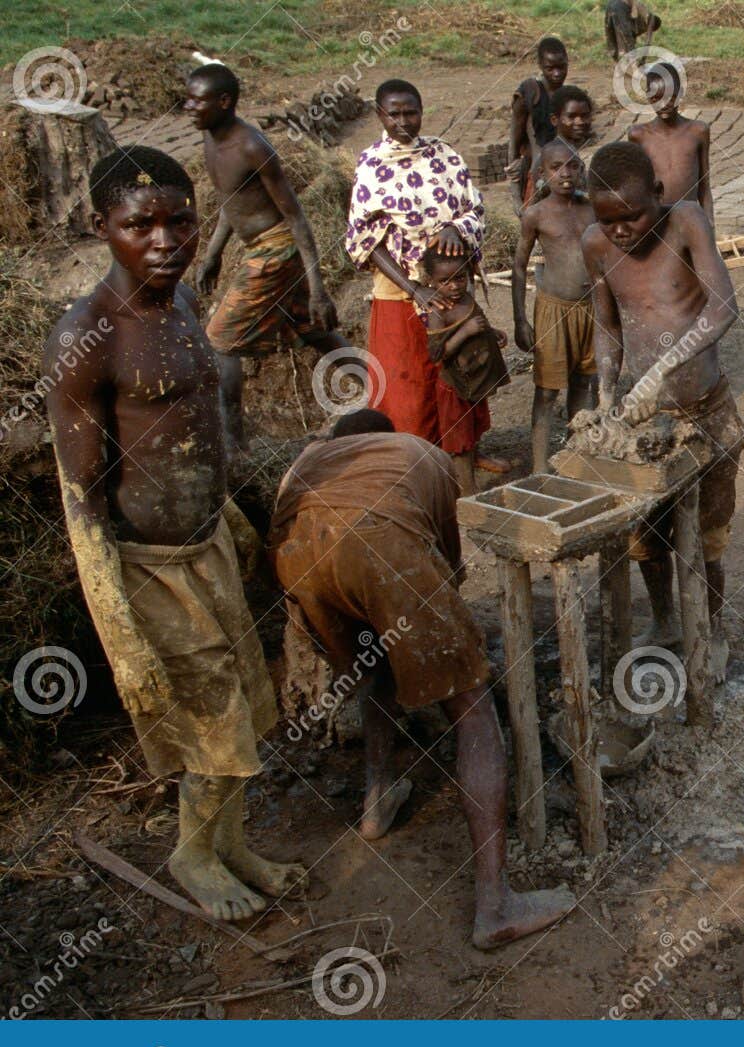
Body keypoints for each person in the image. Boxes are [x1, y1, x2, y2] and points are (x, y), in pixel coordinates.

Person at [46, 147, 301, 922]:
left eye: (180, 221)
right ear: (101, 227)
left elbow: (196, 429)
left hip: (207, 546)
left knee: (250, 700)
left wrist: (230, 519)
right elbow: (81, 494)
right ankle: (192, 855)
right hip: (147, 565)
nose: (164, 240)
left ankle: (230, 844)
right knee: (210, 713)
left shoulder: (185, 303)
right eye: (140, 225)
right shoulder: (85, 338)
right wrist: (118, 631)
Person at [269, 408, 575, 949]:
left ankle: (377, 799)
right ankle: (495, 906)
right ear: (384, 437)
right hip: (380, 541)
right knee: (471, 706)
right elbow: (448, 572)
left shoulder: (305, 461)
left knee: (371, 669)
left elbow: (272, 547)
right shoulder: (420, 453)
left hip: (300, 557)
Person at [577, 142, 744, 676]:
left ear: (657, 194)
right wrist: (607, 390)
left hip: (703, 408)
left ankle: (711, 631)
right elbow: (607, 325)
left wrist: (661, 370)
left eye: (633, 216)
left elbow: (723, 307)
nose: (623, 231)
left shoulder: (686, 222)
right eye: (610, 222)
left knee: (705, 535)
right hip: (644, 423)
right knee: (645, 535)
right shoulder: (596, 246)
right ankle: (666, 619)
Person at [185, 63, 349, 455]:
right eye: (188, 98)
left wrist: (318, 289)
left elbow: (295, 217)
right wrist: (213, 253)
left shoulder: (252, 147)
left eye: (198, 100)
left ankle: (233, 445)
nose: (190, 107)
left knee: (220, 343)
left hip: (276, 248)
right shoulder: (210, 137)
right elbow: (232, 201)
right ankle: (375, 384)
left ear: (224, 102)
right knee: (310, 328)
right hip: (256, 247)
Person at [344, 78, 491, 494]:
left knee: (457, 374)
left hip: (451, 288)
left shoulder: (444, 155)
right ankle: (416, 471)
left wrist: (453, 226)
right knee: (407, 384)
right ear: (380, 115)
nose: (404, 121)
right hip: (400, 292)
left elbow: (474, 208)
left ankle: (463, 456)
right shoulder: (371, 164)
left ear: (422, 111)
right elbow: (365, 241)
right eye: (395, 113)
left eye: (411, 112)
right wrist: (414, 289)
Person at [512, 141, 598, 473]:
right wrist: (520, 319)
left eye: (573, 167)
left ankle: (579, 457)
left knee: (582, 384)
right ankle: (539, 467)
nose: (565, 174)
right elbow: (519, 265)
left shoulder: (591, 210)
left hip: (589, 309)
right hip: (553, 311)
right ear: (542, 174)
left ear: (581, 171)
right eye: (556, 167)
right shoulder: (536, 214)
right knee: (547, 391)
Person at [420, 247, 510, 416]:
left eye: (460, 278)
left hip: (475, 377)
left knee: (475, 424)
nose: (454, 286)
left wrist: (491, 331)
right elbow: (438, 354)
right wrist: (465, 332)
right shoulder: (438, 312)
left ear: (468, 275)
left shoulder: (466, 297)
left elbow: (475, 322)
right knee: (459, 429)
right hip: (457, 385)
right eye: (445, 281)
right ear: (431, 281)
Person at [626, 63, 713, 229]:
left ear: (679, 94)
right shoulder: (638, 135)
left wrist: (709, 224)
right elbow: (637, 185)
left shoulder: (698, 131)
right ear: (647, 97)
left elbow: (704, 184)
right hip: (656, 220)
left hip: (689, 218)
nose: (663, 104)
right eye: (655, 99)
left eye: (670, 97)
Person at [508, 36, 569, 209]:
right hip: (537, 178)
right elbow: (514, 137)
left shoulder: (567, 98)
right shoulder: (531, 92)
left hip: (564, 177)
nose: (557, 74)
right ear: (540, 66)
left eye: (561, 67)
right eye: (550, 68)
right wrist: (515, 194)